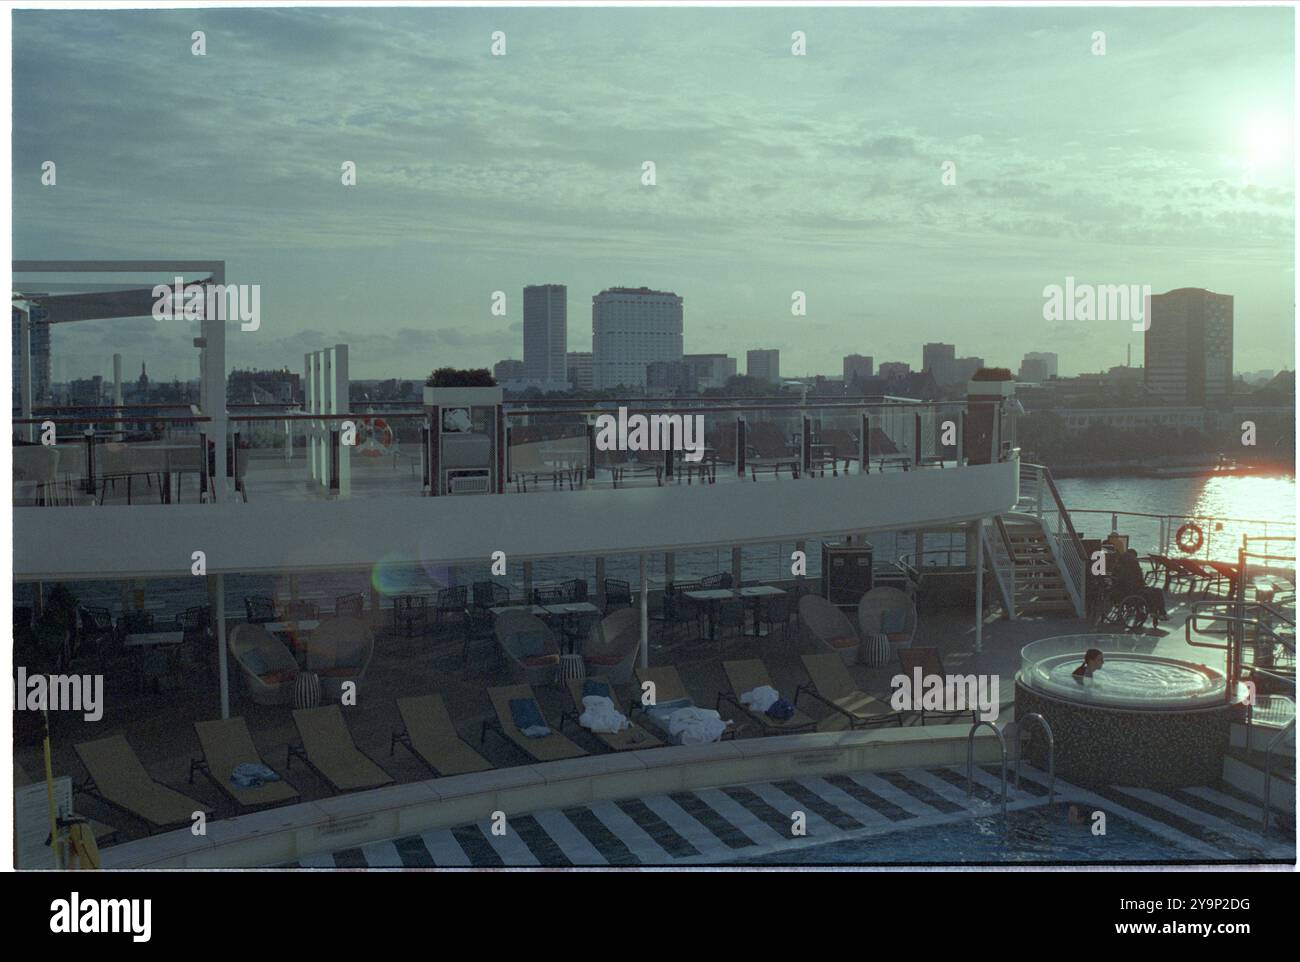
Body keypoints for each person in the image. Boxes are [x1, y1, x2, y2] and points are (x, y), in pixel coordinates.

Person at [1116, 548, 1169, 624]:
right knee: (1157, 591)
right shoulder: (1133, 565)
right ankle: (1160, 612)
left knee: (1150, 592)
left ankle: (1156, 612)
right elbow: (1140, 580)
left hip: (1123, 591)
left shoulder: (1119, 564)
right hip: (1134, 591)